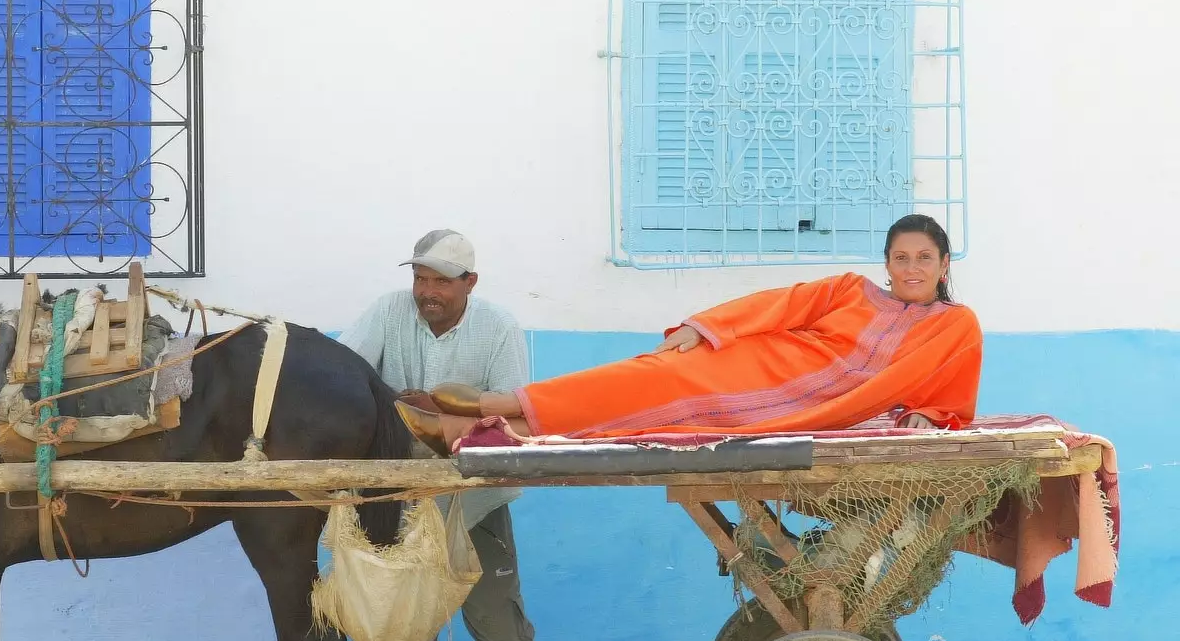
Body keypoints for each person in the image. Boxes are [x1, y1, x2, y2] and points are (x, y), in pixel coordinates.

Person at [337, 229, 598, 641]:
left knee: (503, 631)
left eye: (441, 282)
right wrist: (423, 407)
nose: (427, 292)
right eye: (420, 279)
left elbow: (505, 424)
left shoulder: (499, 328)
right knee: (399, 626)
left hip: (473, 503)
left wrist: (410, 408)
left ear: (469, 284)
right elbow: (346, 387)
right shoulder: (387, 312)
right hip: (394, 498)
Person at [397, 214, 980, 451]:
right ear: (886, 261)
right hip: (760, 363)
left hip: (801, 408)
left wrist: (930, 415)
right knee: (649, 379)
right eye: (900, 258)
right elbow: (779, 305)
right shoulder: (853, 290)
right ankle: (495, 407)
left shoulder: (955, 326)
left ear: (944, 265)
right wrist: (707, 328)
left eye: (923, 258)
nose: (911, 269)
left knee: (648, 415)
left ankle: (468, 422)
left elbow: (950, 396)